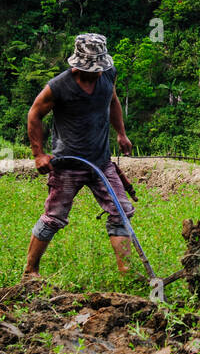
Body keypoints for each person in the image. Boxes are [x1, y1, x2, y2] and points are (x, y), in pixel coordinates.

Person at [24, 33, 134, 278]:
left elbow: (113, 101)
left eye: (99, 67)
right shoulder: (59, 86)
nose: (97, 72)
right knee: (54, 217)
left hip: (101, 161)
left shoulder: (108, 74)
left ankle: (127, 272)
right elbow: (34, 114)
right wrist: (38, 154)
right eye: (91, 68)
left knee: (121, 211)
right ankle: (30, 271)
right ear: (78, 66)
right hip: (68, 163)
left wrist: (121, 134)